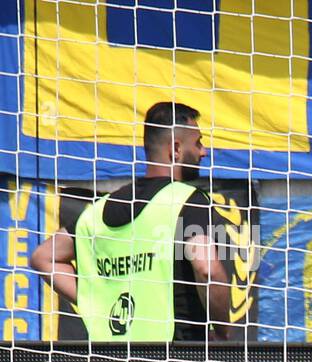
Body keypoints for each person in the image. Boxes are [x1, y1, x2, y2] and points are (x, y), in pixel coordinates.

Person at [30, 101, 230, 341]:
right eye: (198, 143)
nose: (203, 152)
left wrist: (96, 301)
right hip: (176, 361)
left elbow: (43, 257)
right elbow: (207, 269)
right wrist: (222, 329)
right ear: (175, 149)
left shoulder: (98, 211)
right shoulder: (188, 201)